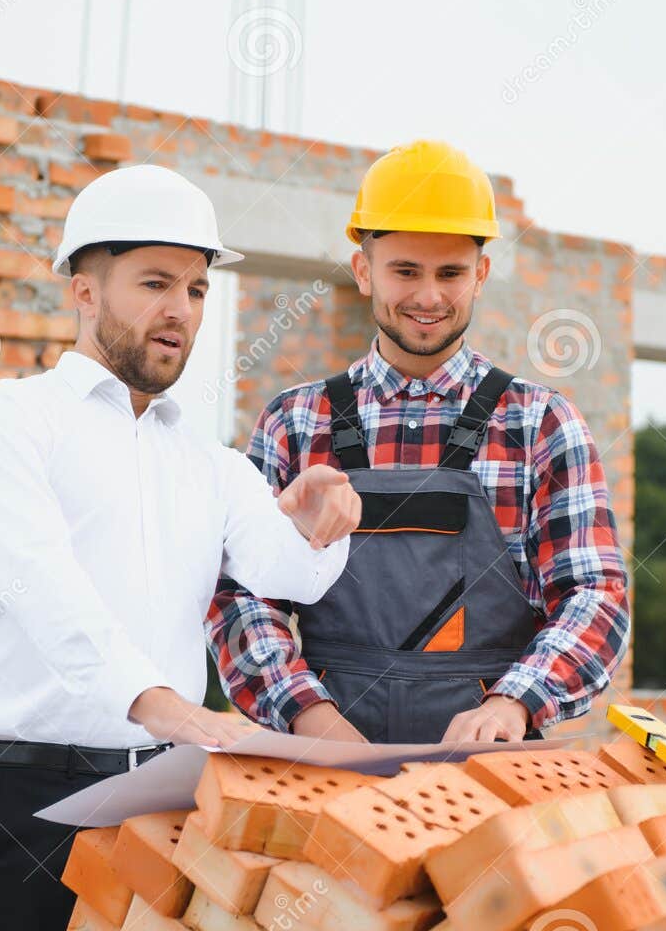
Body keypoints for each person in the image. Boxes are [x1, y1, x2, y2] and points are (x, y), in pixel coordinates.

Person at [0, 164, 360, 931]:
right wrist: (170, 707)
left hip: (164, 799)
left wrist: (320, 521)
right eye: (155, 283)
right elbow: (45, 588)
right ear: (84, 291)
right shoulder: (9, 419)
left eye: (197, 289)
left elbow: (291, 576)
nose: (182, 310)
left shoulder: (207, 461)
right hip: (30, 800)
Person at [207, 140, 629, 746]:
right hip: (325, 763)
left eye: (450, 273)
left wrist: (515, 703)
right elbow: (240, 595)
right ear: (363, 271)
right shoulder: (295, 423)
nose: (429, 297)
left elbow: (595, 596)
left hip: (490, 768)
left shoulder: (540, 424)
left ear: (480, 275)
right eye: (405, 271)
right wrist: (308, 715)